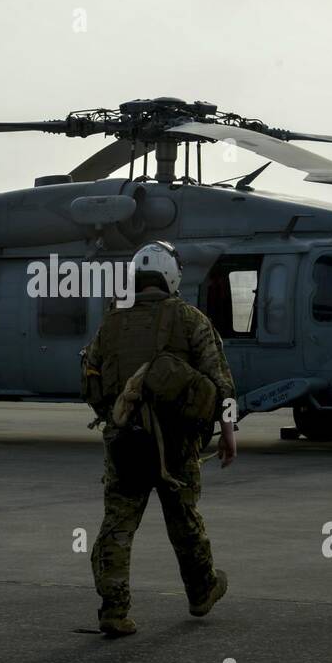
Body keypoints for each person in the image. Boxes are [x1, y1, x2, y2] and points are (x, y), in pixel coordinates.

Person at [81, 241, 237, 637]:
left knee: (117, 526)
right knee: (184, 520)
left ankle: (114, 610)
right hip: (178, 446)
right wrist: (229, 432)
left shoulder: (112, 322)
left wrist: (117, 420)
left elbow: (91, 382)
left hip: (125, 443)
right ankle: (201, 590)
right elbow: (221, 383)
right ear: (172, 276)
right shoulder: (191, 319)